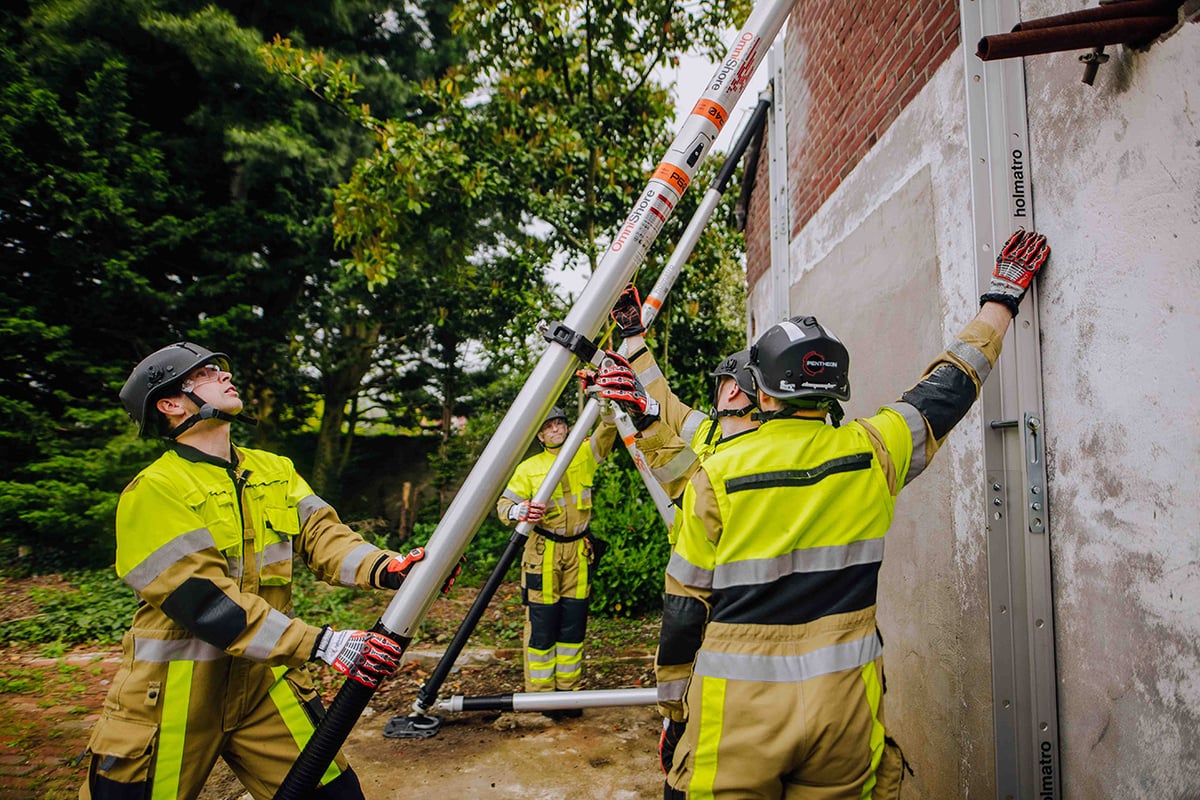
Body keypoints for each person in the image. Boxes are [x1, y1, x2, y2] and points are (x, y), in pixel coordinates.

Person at [605, 229, 1050, 798]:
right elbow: (947, 390)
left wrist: (673, 712)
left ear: (762, 393)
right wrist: (1001, 300)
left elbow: (683, 610)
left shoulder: (715, 472)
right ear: (833, 392)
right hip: (845, 711)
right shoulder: (872, 451)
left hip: (734, 718)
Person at [81, 342, 453, 800]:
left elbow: (324, 536)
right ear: (171, 404)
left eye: (221, 369)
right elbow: (206, 604)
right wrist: (324, 644)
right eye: (205, 373)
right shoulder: (155, 491)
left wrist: (390, 568)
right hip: (174, 694)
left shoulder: (274, 470)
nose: (223, 375)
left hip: (266, 685)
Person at [496, 405, 617, 707]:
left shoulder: (585, 453)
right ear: (539, 434)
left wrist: (605, 404)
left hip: (579, 550)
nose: (556, 429)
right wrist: (517, 510)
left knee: (573, 622)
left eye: (560, 423)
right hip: (542, 551)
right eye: (549, 426)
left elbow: (608, 429)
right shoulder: (528, 468)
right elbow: (502, 508)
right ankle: (540, 697)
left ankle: (568, 693)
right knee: (542, 622)